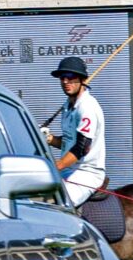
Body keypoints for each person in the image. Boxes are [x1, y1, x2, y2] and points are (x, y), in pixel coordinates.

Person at [41, 54, 110, 204]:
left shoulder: (87, 107)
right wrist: (49, 139)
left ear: (82, 79)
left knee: (56, 204)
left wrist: (55, 167)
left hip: (87, 173)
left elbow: (82, 148)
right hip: (69, 170)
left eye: (71, 76)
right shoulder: (68, 106)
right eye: (62, 77)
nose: (66, 81)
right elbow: (68, 143)